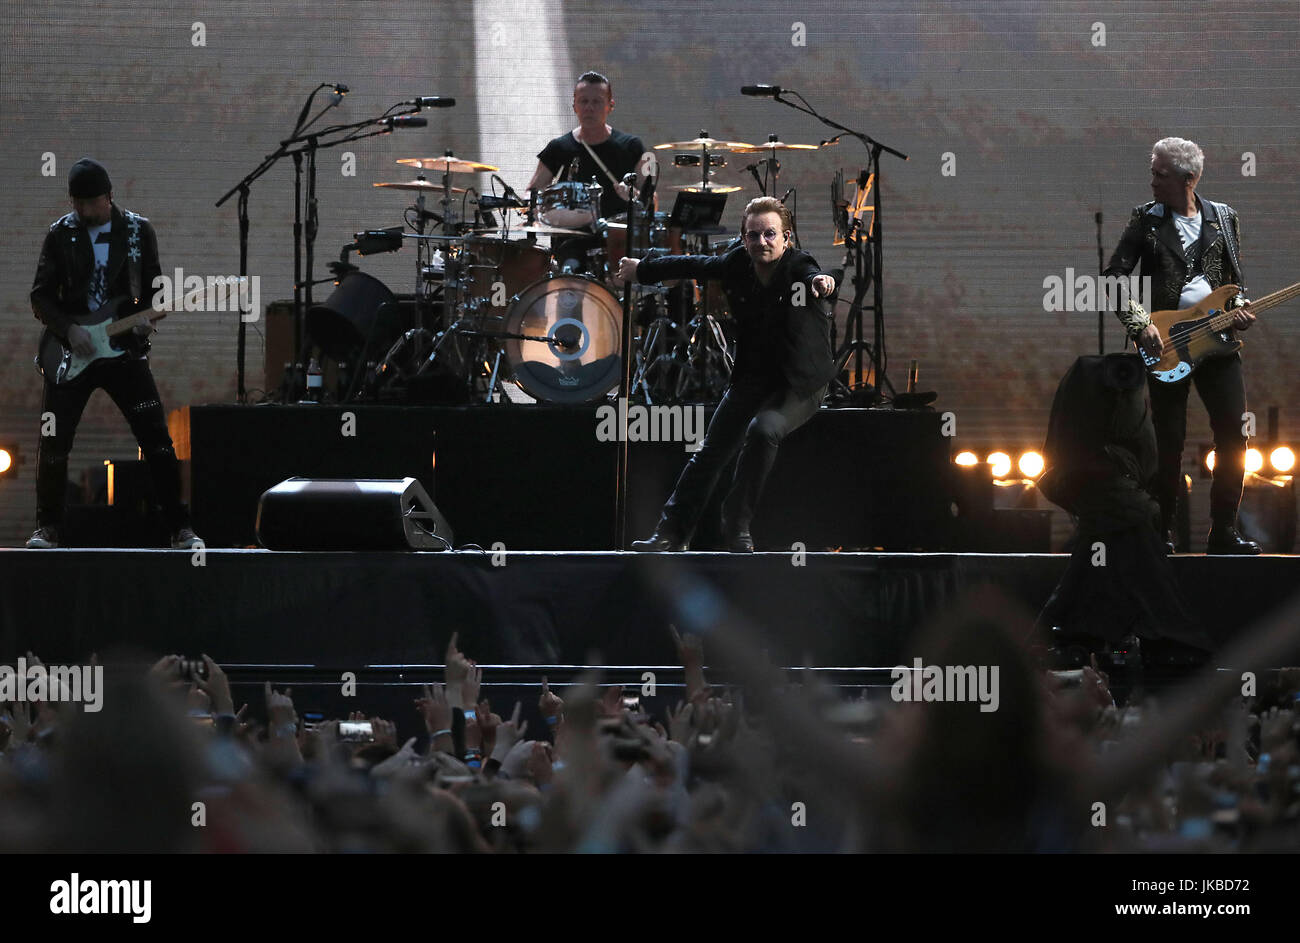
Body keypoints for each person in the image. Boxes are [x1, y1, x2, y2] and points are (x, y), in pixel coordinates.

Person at [618, 197, 835, 551]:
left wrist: (823, 282)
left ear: (786, 237)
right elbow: (696, 264)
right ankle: (671, 534)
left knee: (763, 430)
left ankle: (737, 526)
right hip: (754, 376)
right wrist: (642, 269)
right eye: (753, 235)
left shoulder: (799, 266)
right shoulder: (738, 263)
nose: (761, 242)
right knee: (709, 453)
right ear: (743, 238)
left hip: (800, 381)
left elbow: (817, 276)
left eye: (769, 234)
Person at [27, 157, 201, 550]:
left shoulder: (139, 231)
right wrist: (69, 329)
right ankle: (48, 528)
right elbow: (40, 295)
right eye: (78, 203)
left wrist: (148, 318)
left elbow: (154, 288)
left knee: (156, 437)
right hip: (71, 353)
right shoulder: (60, 235)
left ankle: (180, 528)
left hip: (123, 350)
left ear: (110, 196)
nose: (85, 211)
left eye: (92, 202)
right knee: (54, 442)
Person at [1104, 137, 1259, 554]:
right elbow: (1114, 276)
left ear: (1188, 179)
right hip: (1168, 343)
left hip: (1220, 344)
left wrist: (1240, 308)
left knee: (1233, 437)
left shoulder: (1225, 218)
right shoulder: (1145, 219)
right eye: (1152, 171)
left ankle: (1223, 532)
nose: (1152, 181)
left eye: (1161, 174)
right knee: (1167, 440)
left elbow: (1235, 282)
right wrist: (1139, 324)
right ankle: (1160, 533)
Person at [526, 71, 654, 275]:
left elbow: (651, 199)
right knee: (568, 271)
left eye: (597, 101)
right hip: (571, 239)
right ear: (574, 106)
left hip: (619, 242)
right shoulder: (559, 147)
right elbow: (533, 193)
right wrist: (535, 207)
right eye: (583, 101)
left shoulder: (632, 146)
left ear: (610, 106)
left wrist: (633, 196)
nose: (589, 108)